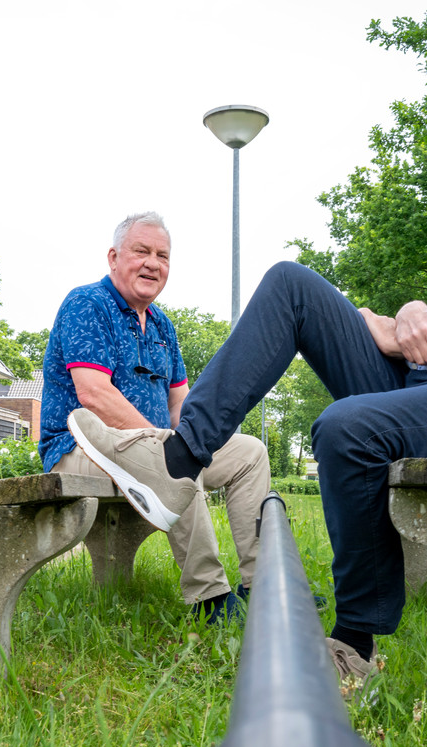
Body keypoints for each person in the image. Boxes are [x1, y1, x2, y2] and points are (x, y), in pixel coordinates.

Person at [66, 53, 427, 695]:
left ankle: (356, 645)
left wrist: (411, 332)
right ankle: (180, 461)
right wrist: (403, 316)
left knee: (347, 426)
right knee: (291, 285)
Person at [40, 213, 270, 624]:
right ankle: (209, 598)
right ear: (114, 257)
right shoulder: (87, 303)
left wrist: (197, 437)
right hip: (81, 449)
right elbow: (93, 394)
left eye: (162, 256)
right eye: (141, 251)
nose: (153, 263)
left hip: (148, 446)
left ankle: (262, 582)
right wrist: (170, 444)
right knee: (176, 459)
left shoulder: (163, 325)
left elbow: (181, 404)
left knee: (249, 452)